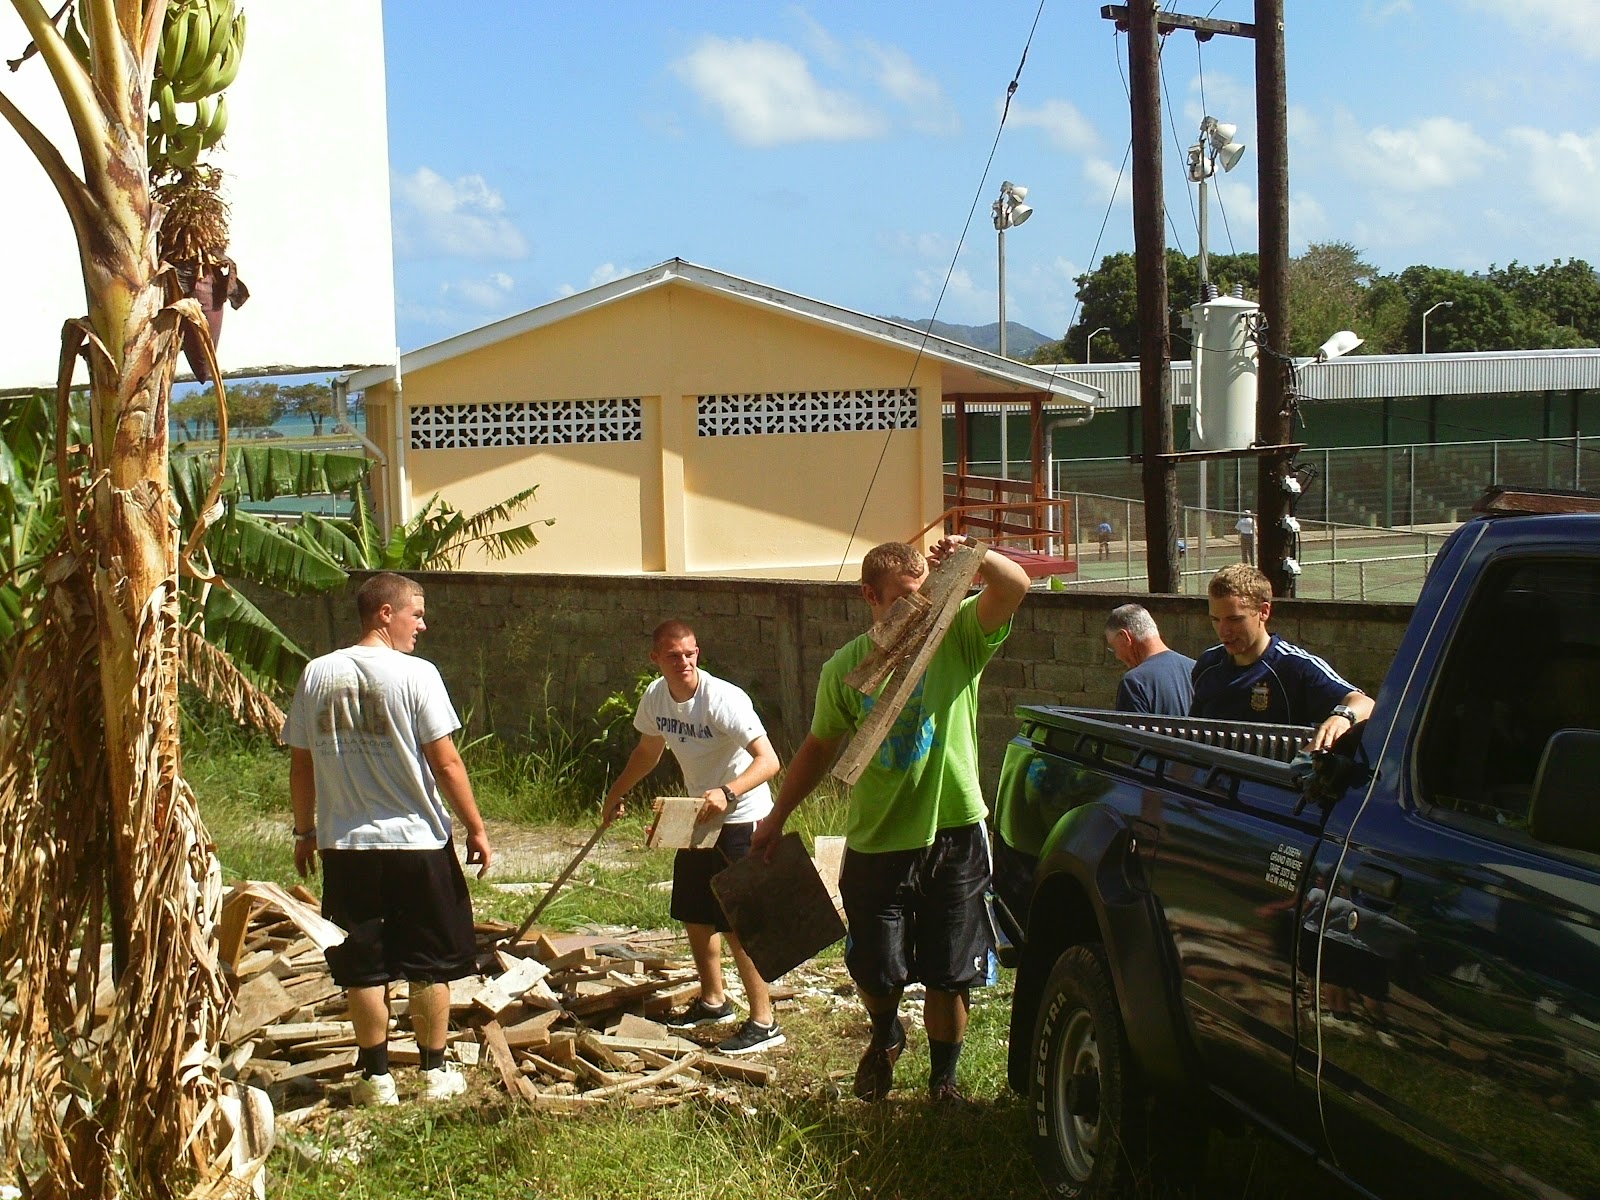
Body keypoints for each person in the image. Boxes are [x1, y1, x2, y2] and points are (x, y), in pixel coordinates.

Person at [752, 535, 1030, 1103]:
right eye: (904, 597)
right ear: (870, 597)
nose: (917, 609)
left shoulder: (958, 640)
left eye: (924, 594)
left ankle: (943, 1083)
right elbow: (818, 747)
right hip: (878, 839)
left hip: (954, 834)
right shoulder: (846, 668)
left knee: (950, 974)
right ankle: (885, 1034)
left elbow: (1016, 586)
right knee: (876, 969)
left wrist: (974, 551)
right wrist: (777, 815)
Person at [285, 572, 493, 1108]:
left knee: (365, 966)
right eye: (416, 614)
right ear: (385, 613)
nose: (422, 625)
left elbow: (302, 763)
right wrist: (476, 826)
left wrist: (305, 830)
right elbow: (444, 760)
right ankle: (433, 1072)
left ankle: (375, 1078)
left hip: (346, 846)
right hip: (416, 841)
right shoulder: (417, 675)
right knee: (430, 964)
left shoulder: (316, 674)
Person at [602, 620, 784, 1056]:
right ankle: (713, 1000)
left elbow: (769, 760)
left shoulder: (723, 699)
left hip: (742, 816)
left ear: (697, 653)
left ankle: (764, 1021)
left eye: (690, 654)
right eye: (673, 656)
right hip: (697, 816)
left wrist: (729, 792)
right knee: (695, 913)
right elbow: (648, 751)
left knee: (738, 923)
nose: (683, 662)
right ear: (656, 659)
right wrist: (615, 793)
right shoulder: (656, 697)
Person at [1190, 563, 1374, 751]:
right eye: (1215, 619)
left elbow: (1365, 704)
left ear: (1263, 612)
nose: (1223, 631)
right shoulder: (1208, 664)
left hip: (1274, 778)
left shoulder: (1295, 667)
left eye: (1234, 619)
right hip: (1213, 778)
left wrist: (1343, 717)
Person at [1105, 603, 1195, 715]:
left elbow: (1130, 732)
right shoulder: (1197, 669)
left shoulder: (1134, 683)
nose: (1117, 656)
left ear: (1124, 637)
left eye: (1113, 647)